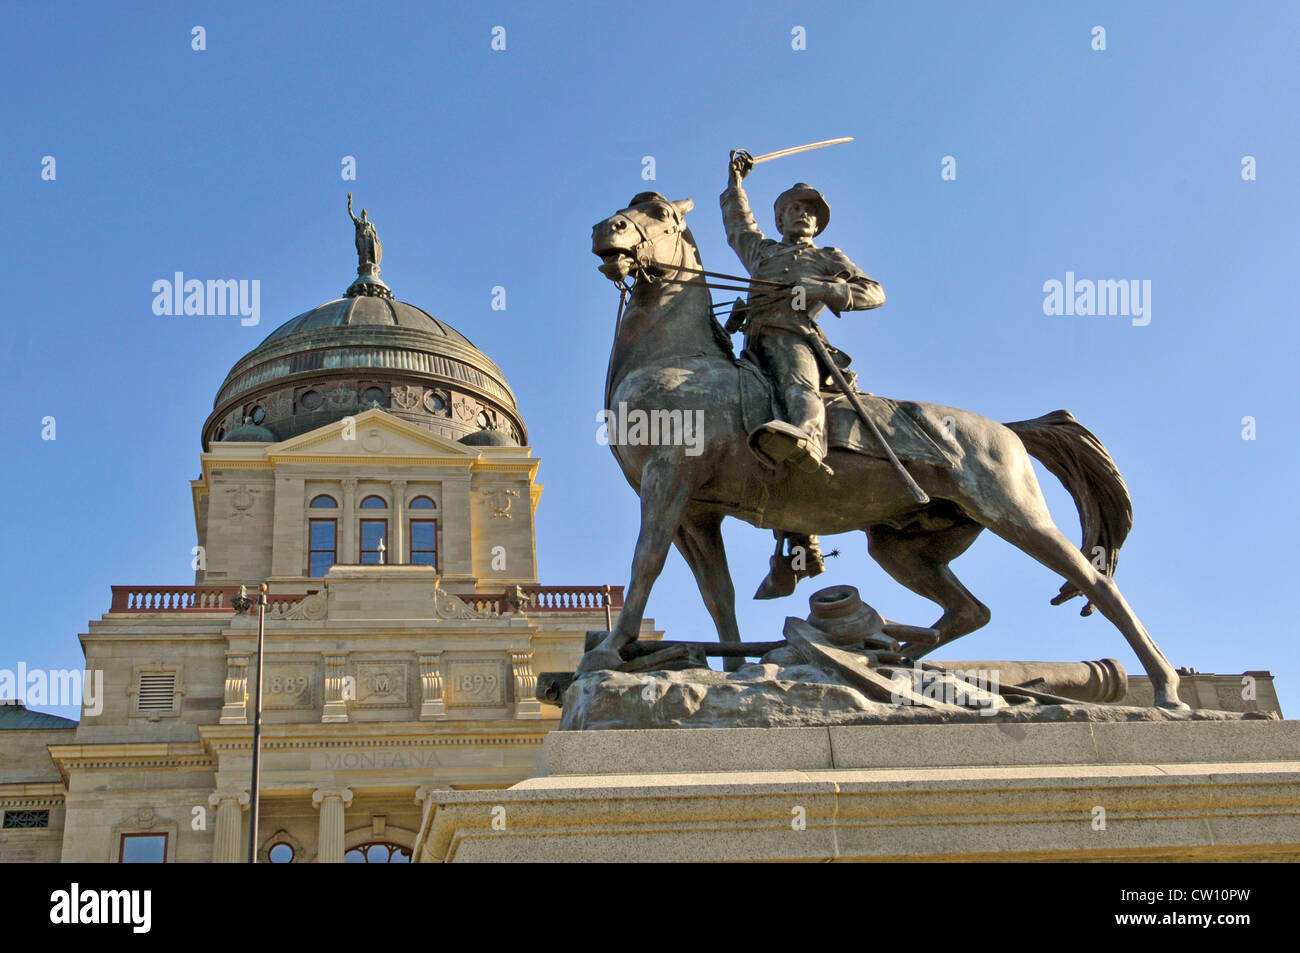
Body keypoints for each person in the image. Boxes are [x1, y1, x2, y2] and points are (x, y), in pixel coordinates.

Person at [721, 150, 886, 596]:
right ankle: (796, 538)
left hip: (794, 338)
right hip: (752, 347)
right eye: (795, 209)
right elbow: (739, 227)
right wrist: (736, 184)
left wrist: (821, 288)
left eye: (810, 211)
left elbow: (873, 292)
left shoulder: (829, 256)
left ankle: (808, 444)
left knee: (797, 385)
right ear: (780, 220)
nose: (803, 216)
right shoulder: (763, 253)